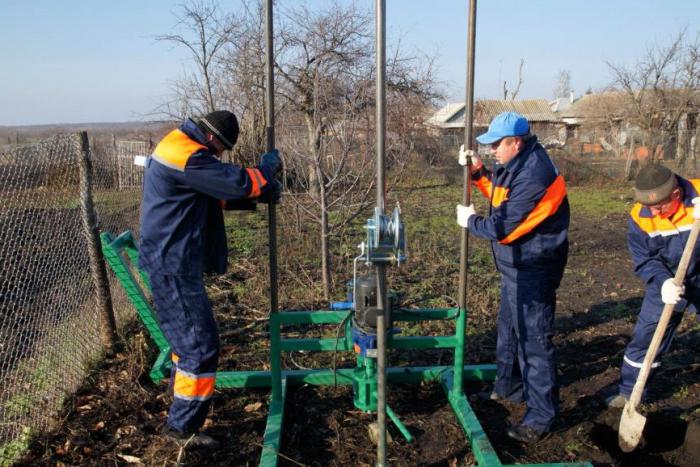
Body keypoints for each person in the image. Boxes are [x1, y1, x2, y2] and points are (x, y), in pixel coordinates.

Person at [139, 110, 282, 448]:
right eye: (221, 151)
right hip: (172, 263)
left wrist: (259, 193)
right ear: (215, 140)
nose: (219, 157)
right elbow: (237, 183)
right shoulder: (186, 154)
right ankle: (181, 429)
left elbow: (212, 195)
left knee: (188, 344)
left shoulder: (186, 149)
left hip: (171, 260)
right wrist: (265, 173)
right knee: (199, 347)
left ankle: (182, 408)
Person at [456, 111, 570, 443]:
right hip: (515, 266)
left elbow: (504, 227)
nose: (492, 151)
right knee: (508, 330)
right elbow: (499, 195)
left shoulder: (535, 173)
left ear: (515, 142)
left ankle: (542, 415)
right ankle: (509, 387)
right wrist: (478, 172)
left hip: (534, 266)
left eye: (495, 145)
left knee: (533, 340)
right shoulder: (517, 163)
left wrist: (471, 222)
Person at [607, 164, 700, 408]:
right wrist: (663, 282)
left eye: (660, 206)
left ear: (677, 194)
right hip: (667, 280)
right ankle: (630, 393)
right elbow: (645, 259)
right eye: (650, 207)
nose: (655, 213)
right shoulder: (641, 216)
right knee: (645, 338)